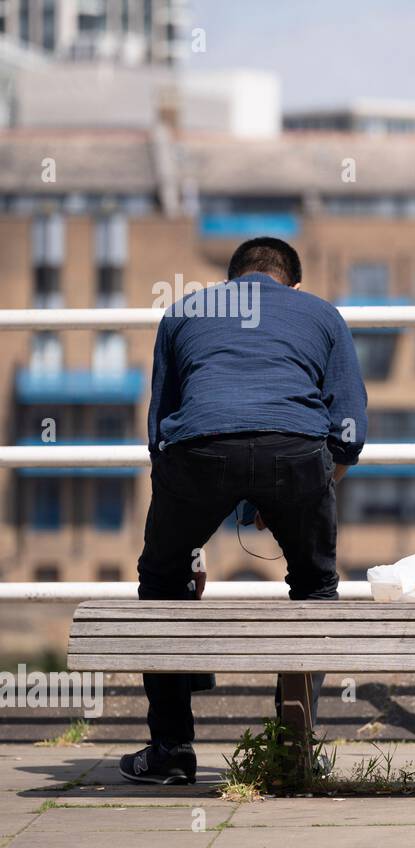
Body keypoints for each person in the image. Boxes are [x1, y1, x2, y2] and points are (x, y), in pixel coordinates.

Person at [120, 237, 368, 784]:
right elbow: (347, 429)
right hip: (297, 451)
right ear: (292, 285)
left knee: (162, 581)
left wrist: (189, 538)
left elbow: (161, 427)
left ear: (231, 281)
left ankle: (171, 749)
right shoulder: (322, 314)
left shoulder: (182, 311)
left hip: (198, 453)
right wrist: (295, 488)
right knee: (315, 587)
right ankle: (291, 749)